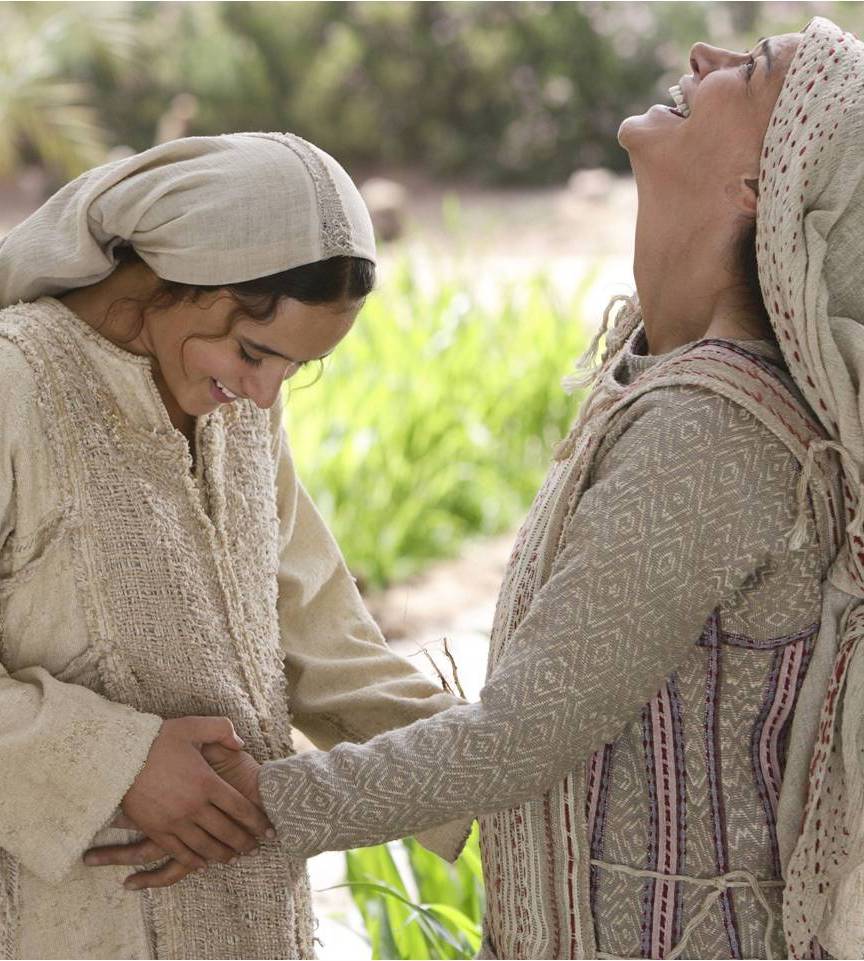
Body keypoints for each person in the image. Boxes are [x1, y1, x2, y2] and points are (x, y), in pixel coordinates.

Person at [91, 15, 864, 961]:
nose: (707, 56)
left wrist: (239, 808)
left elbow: (521, 736)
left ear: (765, 181)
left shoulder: (710, 433)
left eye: (753, 70)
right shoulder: (661, 376)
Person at [0, 132, 471, 959]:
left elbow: (326, 647)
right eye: (254, 351)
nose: (261, 393)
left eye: (293, 368)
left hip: (249, 920)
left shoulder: (239, 409)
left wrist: (509, 764)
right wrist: (114, 764)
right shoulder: (17, 384)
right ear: (171, 275)